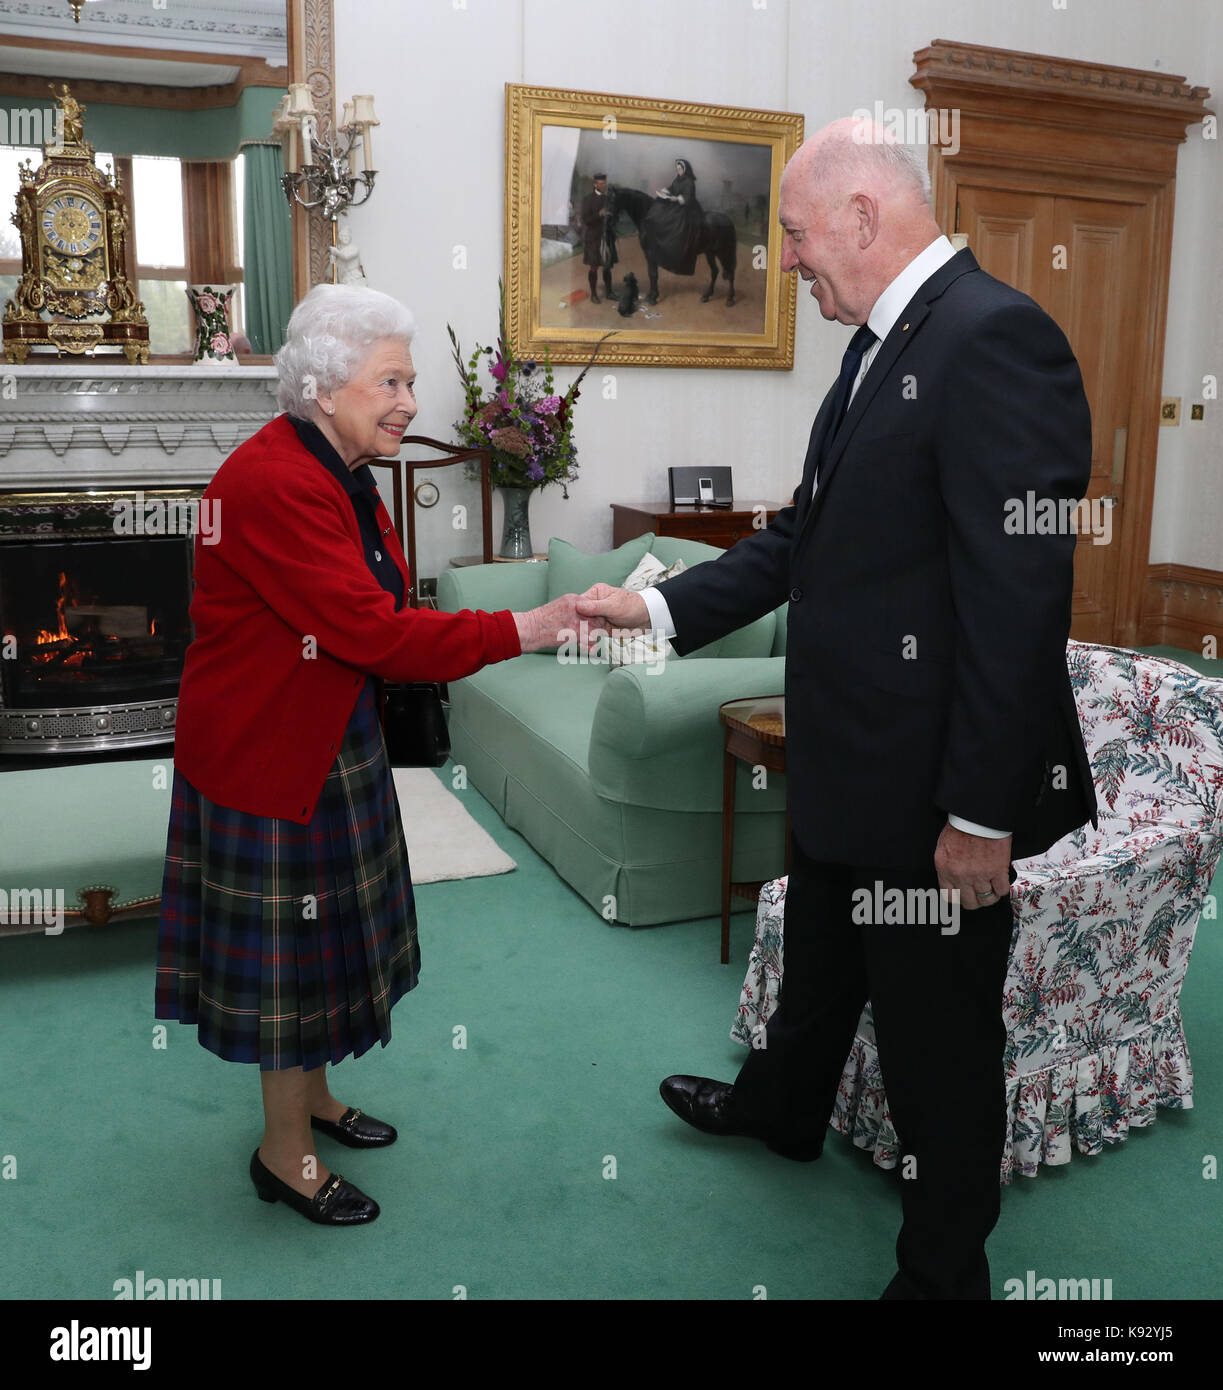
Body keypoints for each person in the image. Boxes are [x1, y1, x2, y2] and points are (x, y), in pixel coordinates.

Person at [577, 117, 1098, 1299]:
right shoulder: (875, 346)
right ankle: (780, 1110)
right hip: (849, 763)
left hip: (930, 795)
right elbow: (802, 542)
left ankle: (941, 1271)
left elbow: (1018, 606)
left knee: (938, 1050)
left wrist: (978, 813)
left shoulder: (995, 339)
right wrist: (652, 614)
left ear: (864, 216)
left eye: (800, 237)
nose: (790, 261)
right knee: (815, 960)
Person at [155, 283, 594, 1227]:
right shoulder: (274, 481)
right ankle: (283, 1154)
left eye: (411, 380)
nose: (408, 402)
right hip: (265, 752)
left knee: (319, 945)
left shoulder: (340, 466)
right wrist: (531, 624)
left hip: (322, 731)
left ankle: (311, 1102)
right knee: (288, 966)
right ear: (323, 385)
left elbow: (385, 609)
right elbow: (378, 632)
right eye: (390, 380)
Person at [645, 157, 703, 276]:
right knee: (660, 209)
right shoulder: (678, 179)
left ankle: (674, 246)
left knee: (675, 221)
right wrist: (665, 192)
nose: (678, 171)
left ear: (685, 169)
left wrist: (676, 198)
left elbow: (688, 197)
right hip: (676, 204)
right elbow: (672, 188)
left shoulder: (689, 181)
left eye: (680, 169)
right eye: (677, 169)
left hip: (687, 208)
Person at [580, 172, 616, 303]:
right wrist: (599, 214)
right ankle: (594, 294)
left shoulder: (608, 199)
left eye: (604, 183)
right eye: (600, 184)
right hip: (594, 238)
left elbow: (613, 218)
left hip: (606, 237)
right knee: (594, 267)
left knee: (607, 266)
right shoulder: (588, 199)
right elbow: (586, 219)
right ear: (595, 184)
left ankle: (609, 292)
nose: (603, 186)